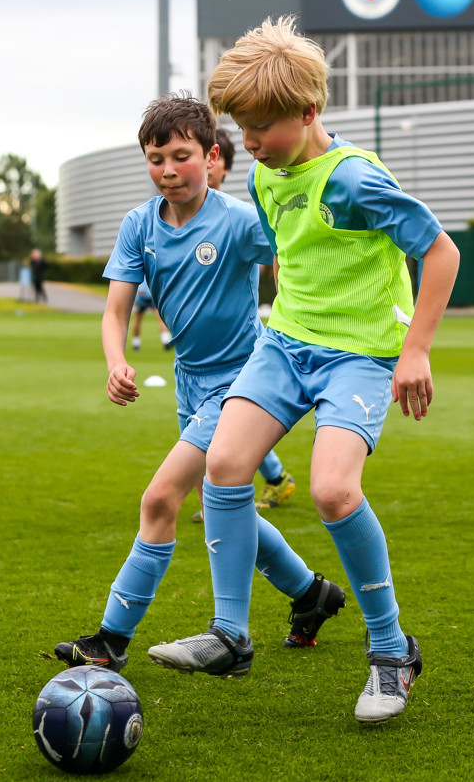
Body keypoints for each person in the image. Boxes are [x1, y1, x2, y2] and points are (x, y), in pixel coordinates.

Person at [147, 17, 460, 723]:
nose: (249, 142)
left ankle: (391, 650)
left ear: (309, 111)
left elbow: (441, 254)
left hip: (360, 354)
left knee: (331, 492)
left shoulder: (355, 180)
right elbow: (292, 257)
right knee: (224, 465)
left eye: (261, 127)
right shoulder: (265, 173)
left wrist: (414, 350)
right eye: (242, 127)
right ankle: (230, 633)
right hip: (285, 343)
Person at [52, 94, 342, 674]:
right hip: (189, 384)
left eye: (180, 156)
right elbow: (115, 312)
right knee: (229, 505)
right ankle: (312, 594)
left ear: (210, 156)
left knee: (160, 498)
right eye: (156, 158)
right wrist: (116, 362)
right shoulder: (139, 225)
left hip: (242, 383)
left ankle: (111, 638)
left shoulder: (238, 219)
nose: (167, 170)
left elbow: (296, 258)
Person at [190, 125, 296, 521]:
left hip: (243, 347)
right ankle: (267, 481)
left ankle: (230, 498)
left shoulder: (239, 217)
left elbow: (283, 248)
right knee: (229, 425)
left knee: (233, 424)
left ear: (219, 165)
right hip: (198, 357)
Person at [129, 279, 172, 351]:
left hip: (143, 295)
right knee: (159, 318)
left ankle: (136, 343)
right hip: (149, 295)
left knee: (138, 319)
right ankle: (166, 341)